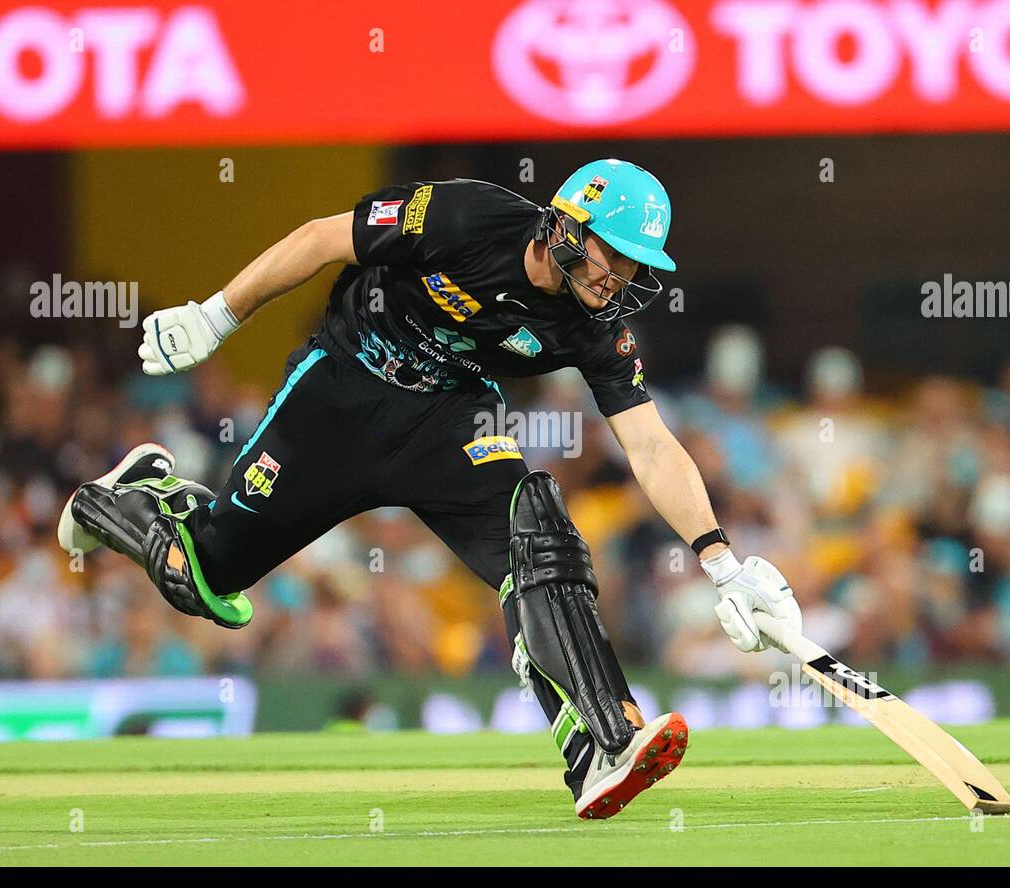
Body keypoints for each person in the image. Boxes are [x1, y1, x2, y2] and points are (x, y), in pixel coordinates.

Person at [57, 159, 802, 819]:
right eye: (617, 255)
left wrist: (719, 561)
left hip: (448, 419)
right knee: (204, 580)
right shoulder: (465, 216)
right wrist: (217, 314)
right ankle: (130, 497)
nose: (622, 279)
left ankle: (603, 741)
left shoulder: (597, 325)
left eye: (638, 267)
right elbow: (323, 237)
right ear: (571, 228)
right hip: (343, 392)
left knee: (535, 530)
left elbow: (648, 442)